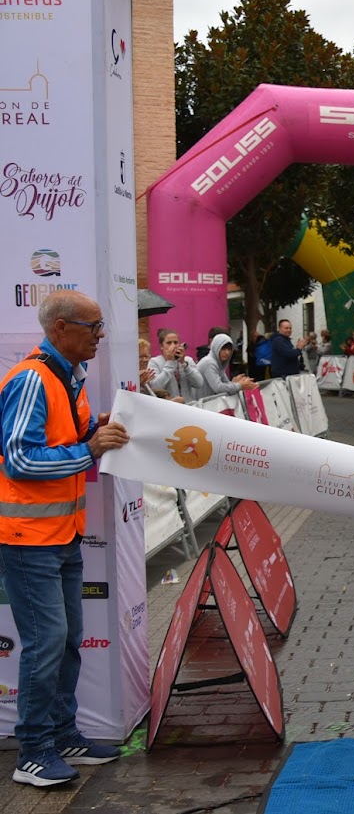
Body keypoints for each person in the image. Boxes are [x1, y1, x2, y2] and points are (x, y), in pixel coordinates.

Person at [0, 290, 130, 787]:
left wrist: (90, 434)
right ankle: (31, 752)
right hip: (28, 539)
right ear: (60, 329)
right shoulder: (34, 379)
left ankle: (62, 732)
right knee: (46, 643)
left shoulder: (66, 379)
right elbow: (23, 460)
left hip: (61, 535)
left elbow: (60, 443)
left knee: (67, 639)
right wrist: (91, 449)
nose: (100, 335)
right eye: (92, 326)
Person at [149, 329, 205, 400]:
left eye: (175, 342)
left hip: (189, 406)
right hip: (169, 407)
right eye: (169, 343)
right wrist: (170, 362)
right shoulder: (154, 362)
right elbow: (155, 387)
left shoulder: (188, 360)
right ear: (161, 346)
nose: (173, 346)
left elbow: (199, 383)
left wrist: (184, 364)